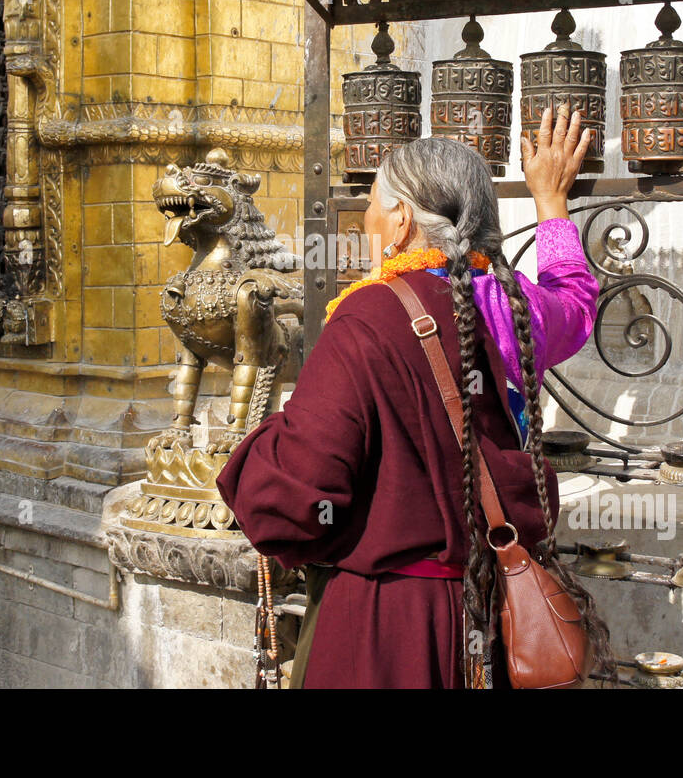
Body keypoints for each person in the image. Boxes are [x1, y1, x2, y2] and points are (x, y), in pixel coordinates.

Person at [216, 105, 615, 688]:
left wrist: (256, 453)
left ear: (401, 220)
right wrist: (551, 202)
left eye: (374, 205)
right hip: (488, 615)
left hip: (385, 627)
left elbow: (299, 493)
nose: (367, 220)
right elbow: (576, 303)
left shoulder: (367, 315)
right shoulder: (508, 305)